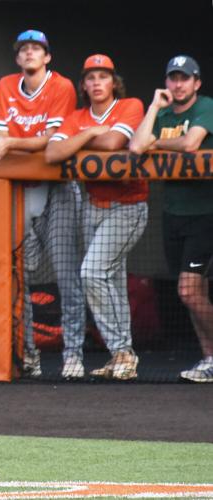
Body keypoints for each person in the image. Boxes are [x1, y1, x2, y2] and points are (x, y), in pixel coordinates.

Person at [0, 30, 81, 378]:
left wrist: (12, 143)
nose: (29, 53)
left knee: (67, 274)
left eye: (36, 48)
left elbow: (53, 141)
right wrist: (9, 144)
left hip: (59, 187)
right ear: (17, 57)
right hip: (22, 189)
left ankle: (73, 355)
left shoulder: (62, 86)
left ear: (47, 56)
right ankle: (27, 354)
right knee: (17, 272)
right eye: (24, 49)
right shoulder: (6, 85)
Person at [44, 54, 146, 380]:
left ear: (113, 81)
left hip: (128, 205)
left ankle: (122, 350)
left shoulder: (130, 105)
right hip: (93, 205)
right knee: (110, 282)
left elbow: (114, 141)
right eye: (91, 77)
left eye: (103, 76)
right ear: (84, 85)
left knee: (91, 272)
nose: (97, 83)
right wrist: (88, 134)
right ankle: (121, 356)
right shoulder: (77, 117)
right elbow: (52, 153)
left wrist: (85, 138)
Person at [130, 54, 213, 383]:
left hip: (204, 212)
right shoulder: (162, 113)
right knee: (196, 293)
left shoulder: (205, 106)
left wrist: (157, 142)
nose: (178, 84)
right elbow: (136, 146)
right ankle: (209, 359)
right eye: (173, 78)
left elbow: (192, 142)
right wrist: (153, 108)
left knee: (188, 291)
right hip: (173, 213)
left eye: (184, 78)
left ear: (196, 83)